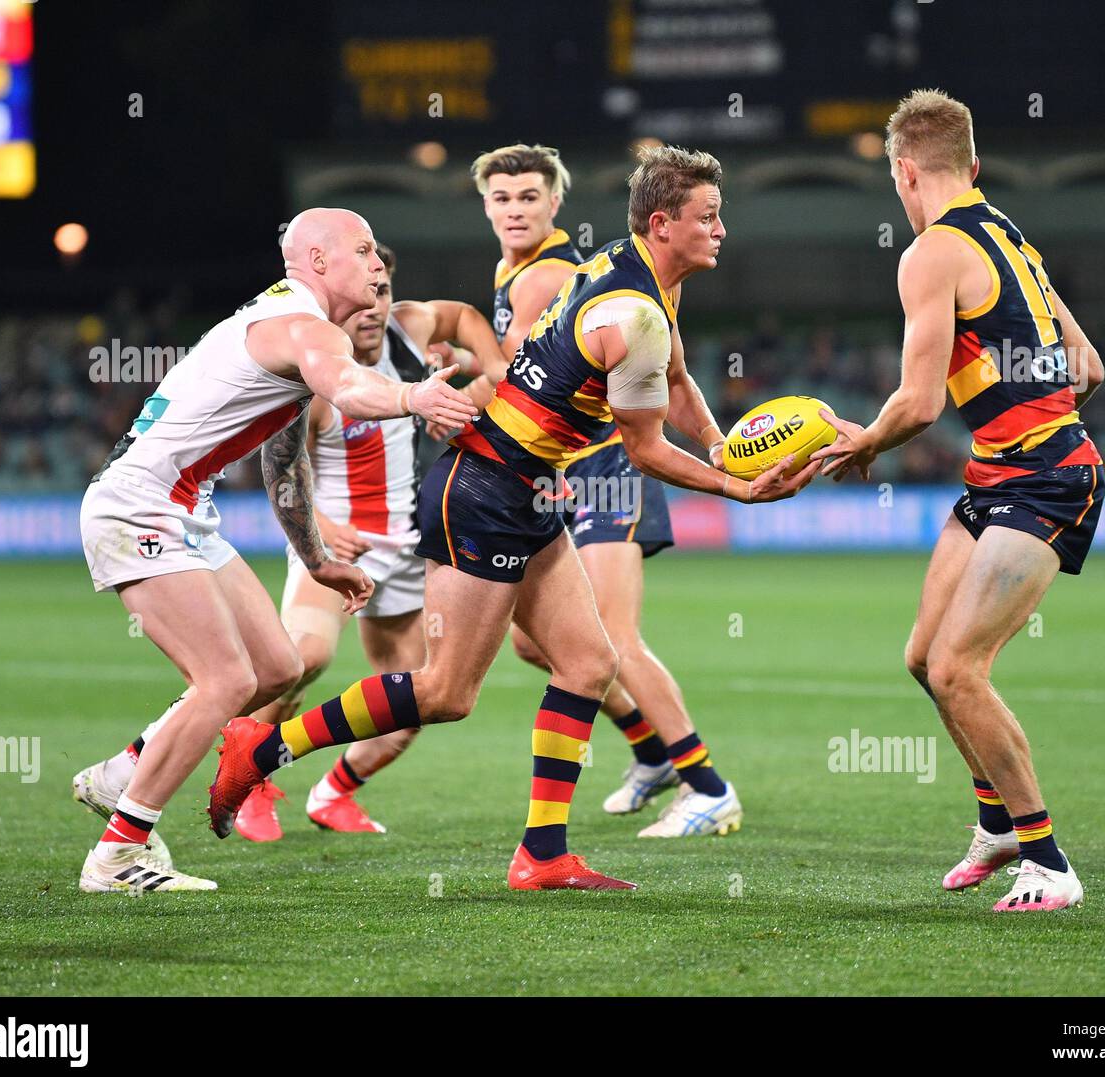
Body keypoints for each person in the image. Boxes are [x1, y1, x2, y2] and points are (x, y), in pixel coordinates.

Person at [208, 147, 826, 891]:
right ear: (663, 225)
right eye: (708, 218)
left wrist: (724, 446)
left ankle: (542, 853)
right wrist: (738, 488)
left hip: (527, 486)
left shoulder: (630, 270)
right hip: (486, 492)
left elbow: (677, 379)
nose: (721, 229)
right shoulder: (633, 315)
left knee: (590, 662)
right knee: (444, 693)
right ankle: (261, 747)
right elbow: (646, 449)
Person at [72, 209, 474, 892]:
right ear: (317, 261)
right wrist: (414, 394)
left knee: (278, 665)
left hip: (182, 507)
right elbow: (348, 387)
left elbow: (284, 466)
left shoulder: (288, 327)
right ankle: (116, 854)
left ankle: (123, 771)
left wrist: (316, 559)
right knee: (225, 680)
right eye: (364, 250)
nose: (378, 265)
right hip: (140, 505)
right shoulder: (304, 328)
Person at [813, 90, 1105, 912]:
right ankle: (998, 824)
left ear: (904, 172)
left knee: (956, 667)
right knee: (924, 659)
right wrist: (1026, 393)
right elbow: (1090, 365)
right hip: (1000, 475)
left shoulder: (930, 253)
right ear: (971, 166)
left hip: (1042, 480)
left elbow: (917, 404)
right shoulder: (1013, 237)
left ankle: (1049, 862)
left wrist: (860, 441)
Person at [474, 143, 745, 837]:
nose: (720, 230)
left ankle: (704, 782)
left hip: (606, 469)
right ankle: (650, 748)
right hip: (569, 471)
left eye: (527, 196)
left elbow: (664, 393)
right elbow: (672, 375)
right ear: (660, 224)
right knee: (539, 644)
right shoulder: (622, 276)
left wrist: (722, 460)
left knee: (611, 637)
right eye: (501, 197)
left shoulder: (580, 278)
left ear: (554, 203)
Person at [231, 244, 510, 841]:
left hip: (407, 548)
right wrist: (320, 530)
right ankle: (250, 776)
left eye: (381, 293)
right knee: (306, 658)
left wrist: (491, 371)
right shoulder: (315, 372)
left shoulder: (408, 329)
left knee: (417, 702)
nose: (372, 308)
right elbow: (279, 469)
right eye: (359, 297)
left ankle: (333, 793)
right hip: (337, 546)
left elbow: (461, 316)